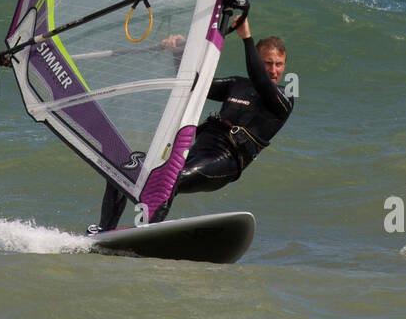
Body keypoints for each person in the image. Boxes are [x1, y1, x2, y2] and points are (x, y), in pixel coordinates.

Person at [90, 13, 293, 232]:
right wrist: (178, 53)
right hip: (196, 152)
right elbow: (194, 83)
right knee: (124, 167)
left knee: (169, 181)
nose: (273, 70)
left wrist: (246, 39)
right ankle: (104, 231)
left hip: (224, 161)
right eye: (267, 63)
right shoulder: (237, 84)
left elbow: (261, 81)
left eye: (279, 64)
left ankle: (147, 233)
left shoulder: (284, 99)